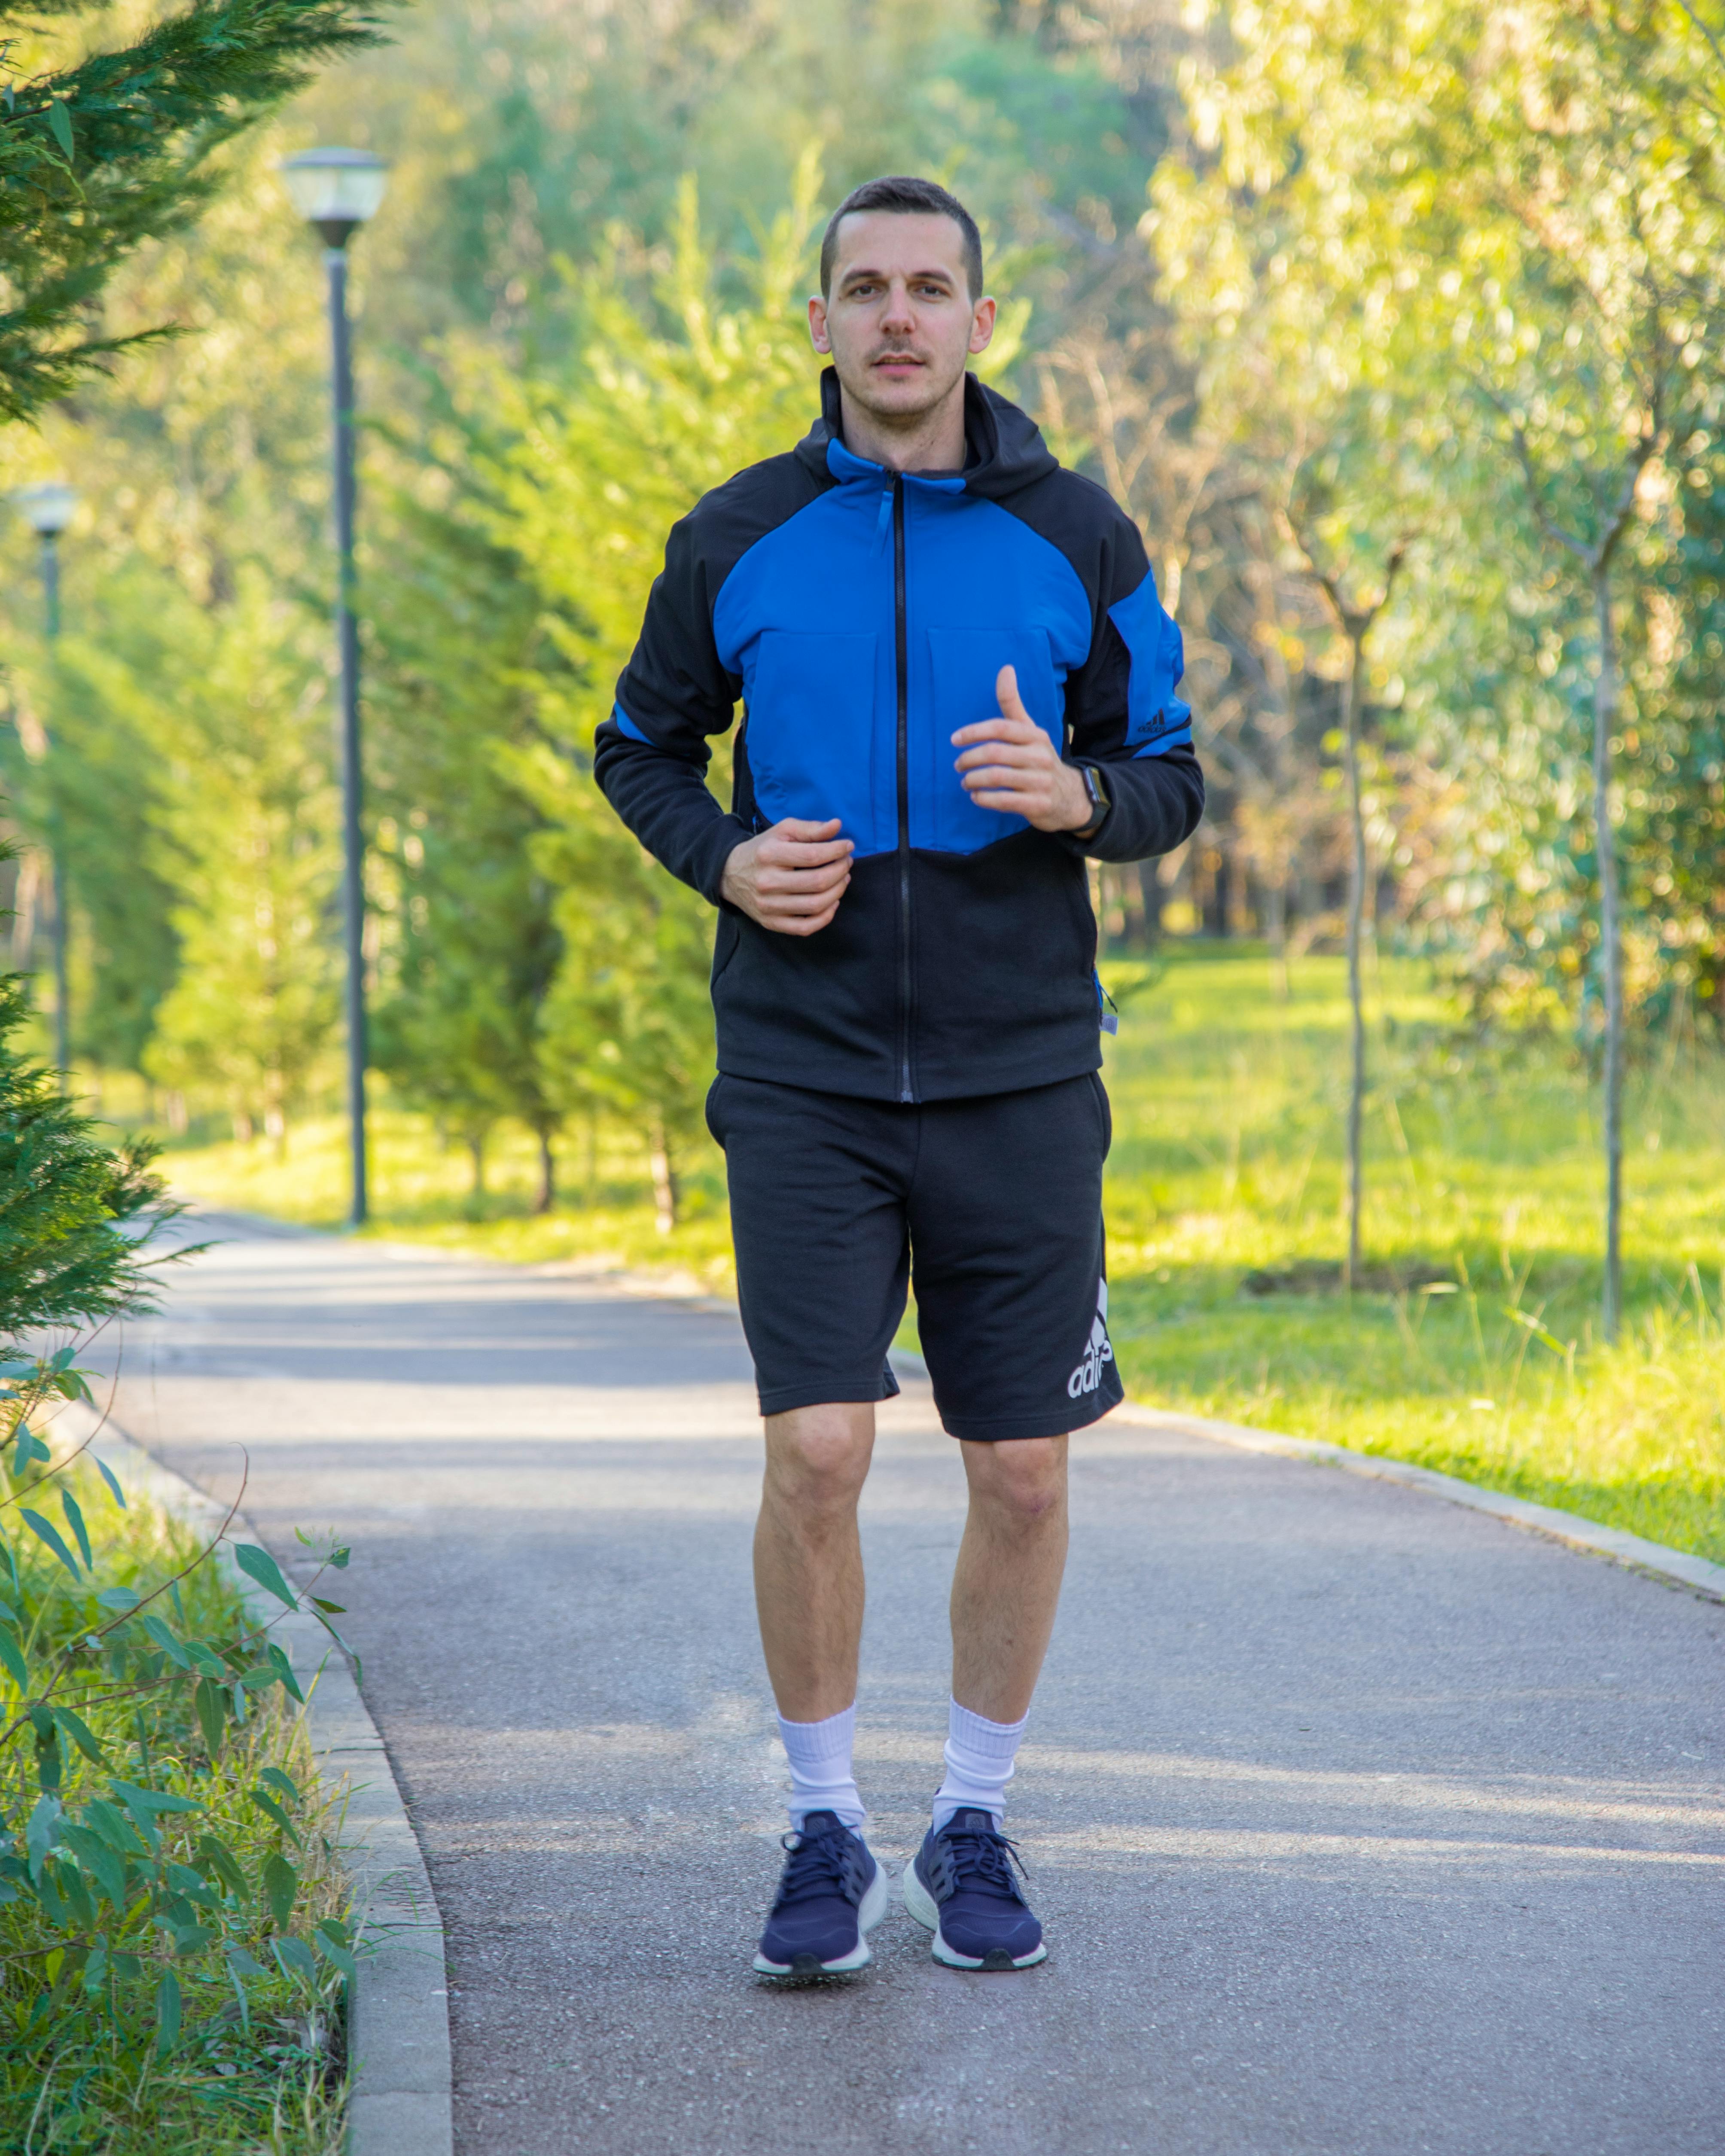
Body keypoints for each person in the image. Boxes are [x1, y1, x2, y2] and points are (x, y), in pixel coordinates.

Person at [594, 174, 1203, 1978]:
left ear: (979, 323)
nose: (897, 318)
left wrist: (1077, 796)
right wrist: (726, 860)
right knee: (818, 1447)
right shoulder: (736, 536)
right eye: (863, 289)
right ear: (821, 324)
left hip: (1022, 1074)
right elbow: (637, 746)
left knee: (1020, 1470)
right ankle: (820, 1827)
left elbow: (1171, 775)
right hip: (806, 1069)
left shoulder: (1078, 533)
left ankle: (973, 1817)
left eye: (930, 288)